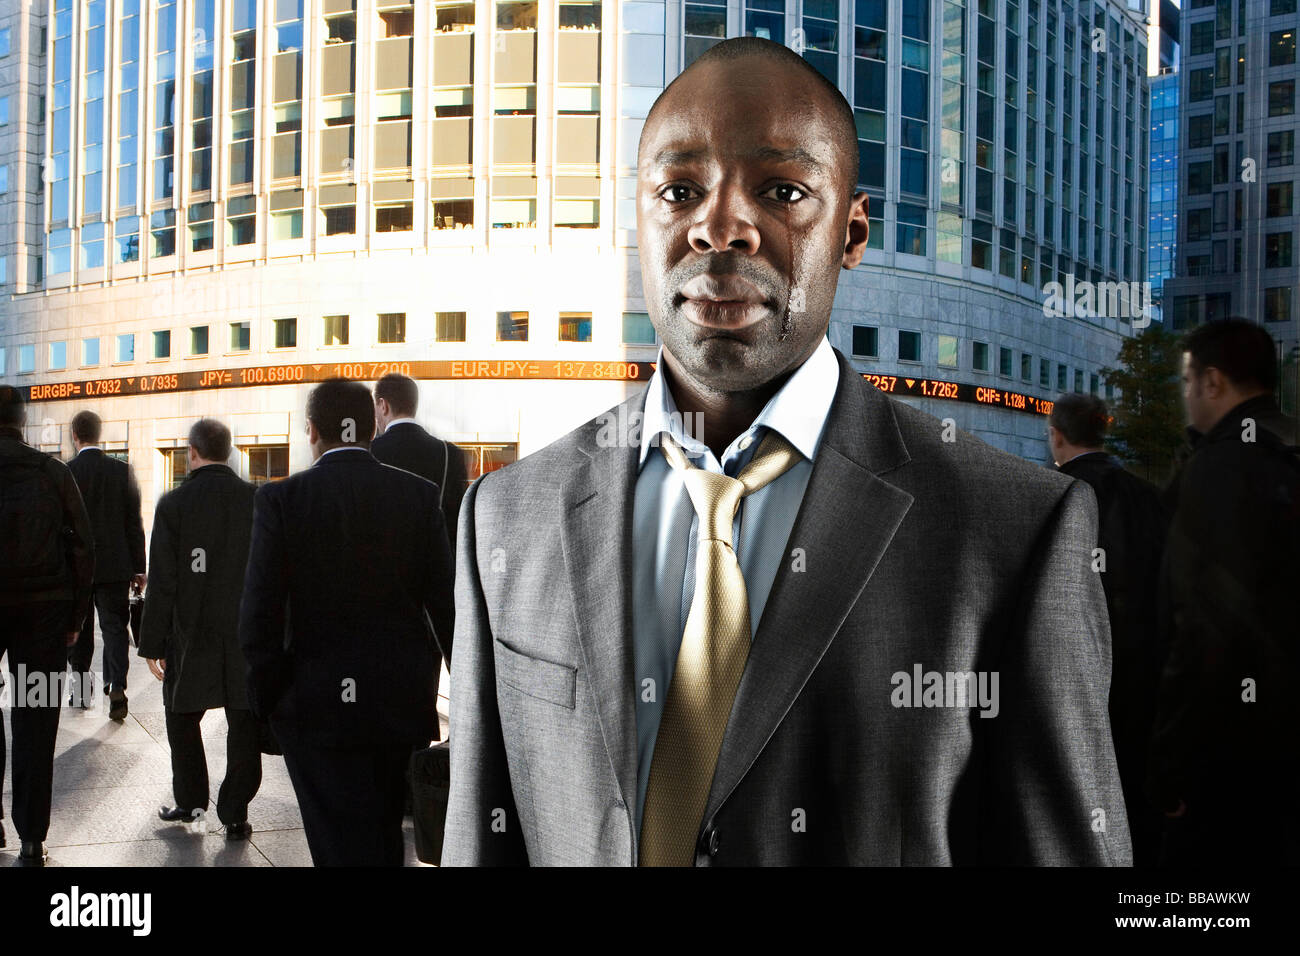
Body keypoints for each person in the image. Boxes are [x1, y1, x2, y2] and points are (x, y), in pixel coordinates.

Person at [442, 38, 1131, 866]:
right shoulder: (507, 513)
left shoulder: (1018, 531)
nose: (718, 225)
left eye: (781, 190)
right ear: (639, 217)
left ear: (852, 231)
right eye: (679, 190)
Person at [239, 379, 455, 866]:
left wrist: (267, 701)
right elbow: (447, 608)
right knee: (382, 836)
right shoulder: (418, 497)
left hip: (313, 705)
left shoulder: (281, 501)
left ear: (312, 430)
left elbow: (259, 616)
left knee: (334, 839)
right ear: (370, 429)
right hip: (397, 702)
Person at [1147, 318, 1300, 865]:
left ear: (1213, 381)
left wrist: (1170, 765)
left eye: (1188, 382)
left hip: (1231, 759)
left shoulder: (1223, 465)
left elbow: (1203, 626)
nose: (1187, 397)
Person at [1048, 393, 1168, 866]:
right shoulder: (1149, 499)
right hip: (1143, 685)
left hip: (1075, 687)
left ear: (1056, 435)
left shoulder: (1049, 496)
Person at [138, 419, 262, 840]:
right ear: (227, 452)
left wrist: (152, 641)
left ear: (192, 452)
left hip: (191, 631)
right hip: (245, 631)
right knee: (244, 720)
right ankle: (235, 810)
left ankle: (191, 802)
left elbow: (164, 581)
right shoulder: (256, 499)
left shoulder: (174, 504)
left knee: (181, 715)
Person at [0, 385, 94, 866]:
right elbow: (82, 548)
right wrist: (76, 619)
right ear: (23, 422)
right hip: (44, 609)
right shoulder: (52, 472)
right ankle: (32, 835)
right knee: (36, 715)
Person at [66, 410, 146, 720]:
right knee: (114, 628)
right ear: (100, 435)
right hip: (115, 566)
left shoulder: (66, 471)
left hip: (78, 568)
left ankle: (80, 689)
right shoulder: (122, 471)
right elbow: (133, 523)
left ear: (75, 435)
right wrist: (139, 567)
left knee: (80, 628)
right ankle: (118, 687)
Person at [371, 372, 469, 562]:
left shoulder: (369, 452)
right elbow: (457, 524)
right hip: (432, 569)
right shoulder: (450, 453)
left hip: (381, 568)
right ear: (413, 404)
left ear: (383, 405)